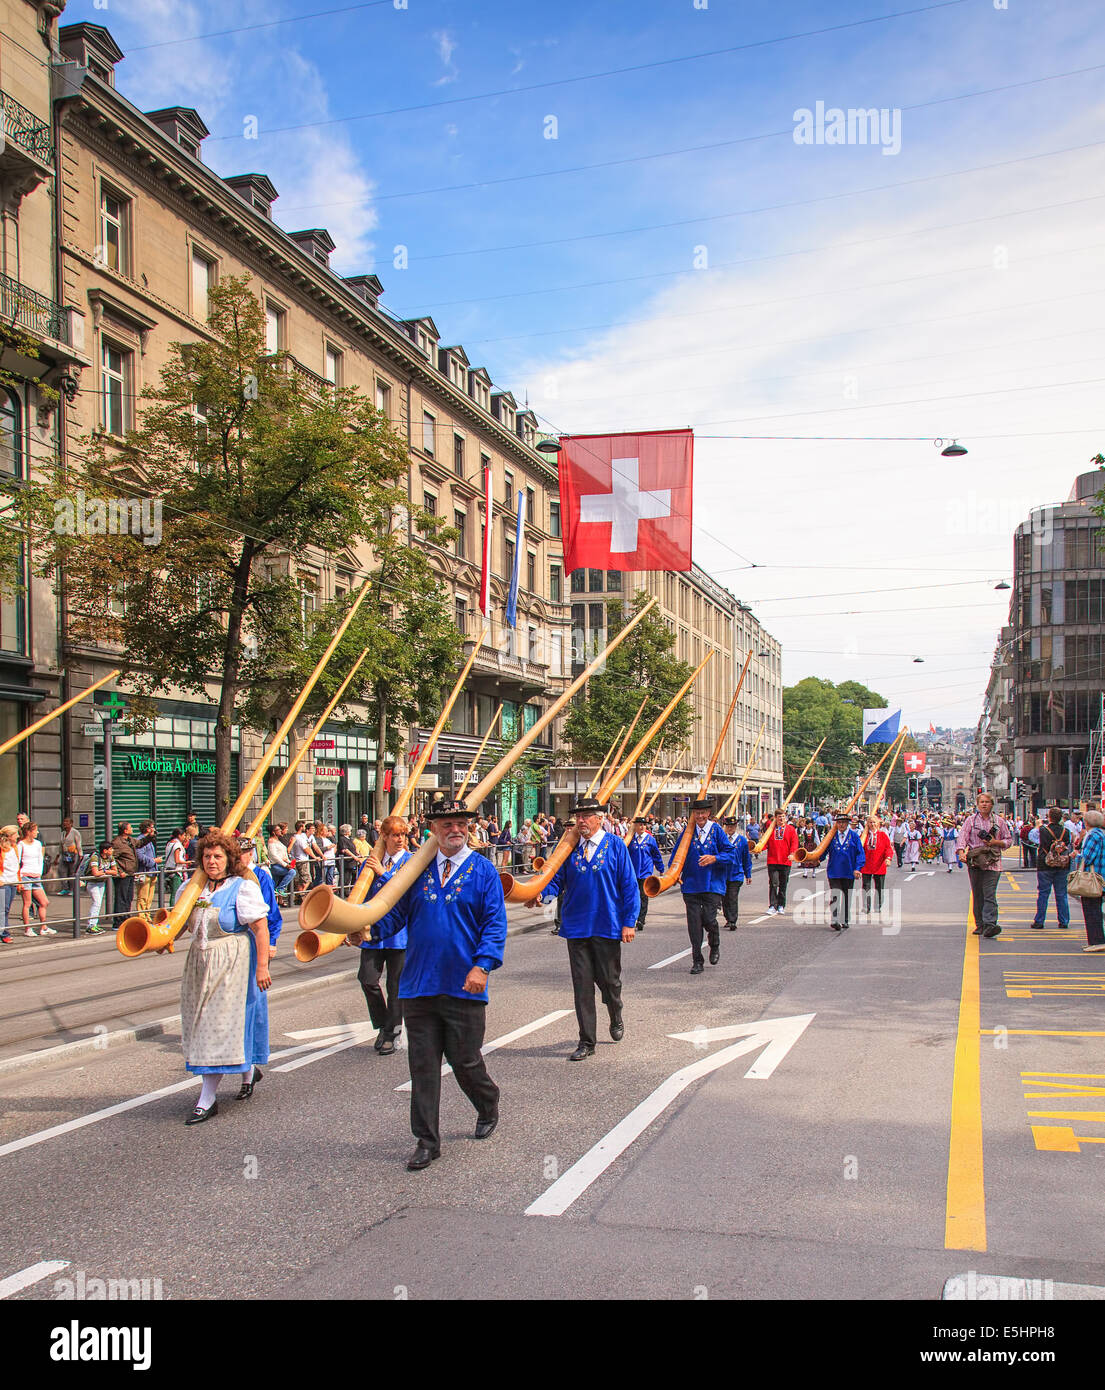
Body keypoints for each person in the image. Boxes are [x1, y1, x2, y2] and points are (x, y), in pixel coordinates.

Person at [389, 801, 507, 1170]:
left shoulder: (483, 870)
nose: (455, 829)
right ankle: (426, 1141)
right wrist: (365, 930)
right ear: (433, 830)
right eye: (446, 824)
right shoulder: (417, 871)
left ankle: (487, 1102)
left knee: (465, 1061)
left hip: (464, 985)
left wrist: (482, 966)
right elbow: (392, 914)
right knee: (422, 1067)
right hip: (419, 985)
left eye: (460, 823)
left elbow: (494, 923)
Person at [178, 830, 271, 1125]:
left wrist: (262, 967)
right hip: (200, 964)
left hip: (233, 963)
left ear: (229, 859)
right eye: (206, 856)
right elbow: (178, 926)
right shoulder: (192, 889)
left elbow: (260, 928)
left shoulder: (242, 888)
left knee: (219, 1026)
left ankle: (207, 1099)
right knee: (203, 1024)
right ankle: (247, 1071)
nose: (211, 861)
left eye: (217, 856)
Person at [537, 796, 638, 1055]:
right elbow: (555, 880)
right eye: (578, 817)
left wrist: (629, 922)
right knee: (582, 986)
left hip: (607, 925)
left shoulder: (615, 845)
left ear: (600, 818)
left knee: (610, 982)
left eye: (586, 816)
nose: (581, 821)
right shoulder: (569, 848)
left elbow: (629, 886)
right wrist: (540, 894)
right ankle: (586, 1042)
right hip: (577, 926)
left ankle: (615, 1012)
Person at [349, 814, 411, 1056]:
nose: (400, 840)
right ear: (383, 836)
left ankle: (392, 1031)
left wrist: (383, 873)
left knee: (396, 986)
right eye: (395, 835)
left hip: (400, 935)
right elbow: (360, 895)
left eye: (403, 835)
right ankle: (385, 1024)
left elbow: (404, 891)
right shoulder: (371, 862)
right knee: (367, 979)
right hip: (373, 933)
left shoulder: (409, 861)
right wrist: (352, 925)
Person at [671, 797, 734, 973]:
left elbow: (731, 854)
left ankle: (714, 944)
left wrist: (715, 858)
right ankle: (697, 960)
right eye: (696, 813)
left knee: (709, 919)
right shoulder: (687, 832)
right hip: (691, 885)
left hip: (712, 885)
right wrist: (673, 873)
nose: (699, 816)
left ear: (708, 813)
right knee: (694, 924)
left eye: (702, 813)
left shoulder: (717, 831)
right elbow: (676, 856)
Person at [956, 792, 1013, 939]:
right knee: (978, 894)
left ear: (992, 804)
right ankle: (980, 924)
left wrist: (996, 842)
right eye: (981, 802)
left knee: (989, 893)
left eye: (987, 802)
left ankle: (990, 924)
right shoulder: (971, 821)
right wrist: (961, 852)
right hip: (975, 861)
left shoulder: (999, 822)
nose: (984, 804)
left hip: (993, 862)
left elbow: (1008, 840)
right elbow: (963, 837)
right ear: (977, 804)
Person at [1031, 807, 1072, 930]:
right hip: (1062, 864)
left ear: (1049, 817)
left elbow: (1032, 837)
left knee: (1043, 893)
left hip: (1046, 864)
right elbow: (1068, 844)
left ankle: (1039, 920)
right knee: (1061, 894)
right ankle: (1064, 921)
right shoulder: (1066, 831)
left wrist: (1037, 825)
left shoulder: (1043, 830)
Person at [823, 810, 865, 931]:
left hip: (848, 871)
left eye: (843, 822)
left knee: (847, 896)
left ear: (847, 823)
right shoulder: (831, 836)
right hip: (834, 871)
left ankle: (845, 919)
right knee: (835, 894)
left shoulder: (854, 836)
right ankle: (835, 919)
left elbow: (860, 854)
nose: (841, 825)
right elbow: (823, 850)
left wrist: (858, 868)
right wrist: (815, 859)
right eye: (839, 822)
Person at [1071, 809, 1105, 953]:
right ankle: (1097, 940)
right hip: (1100, 876)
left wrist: (1076, 855)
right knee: (1096, 909)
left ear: (1087, 822)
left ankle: (1096, 941)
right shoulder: (1101, 834)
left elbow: (1088, 856)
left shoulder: (1093, 836)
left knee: (1091, 910)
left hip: (1092, 878)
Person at [626, 814, 663, 934]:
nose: (641, 827)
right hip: (633, 872)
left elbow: (656, 855)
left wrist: (660, 868)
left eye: (643, 825)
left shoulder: (650, 839)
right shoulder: (630, 839)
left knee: (643, 896)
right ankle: (633, 917)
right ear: (635, 826)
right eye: (639, 825)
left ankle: (641, 919)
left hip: (645, 872)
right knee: (632, 896)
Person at [758, 807, 798, 916]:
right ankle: (772, 905)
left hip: (785, 861)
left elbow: (794, 843)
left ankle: (781, 905)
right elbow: (764, 843)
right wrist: (757, 848)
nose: (781, 819)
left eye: (783, 817)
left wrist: (792, 853)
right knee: (773, 883)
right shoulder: (771, 830)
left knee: (783, 884)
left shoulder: (790, 829)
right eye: (779, 817)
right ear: (775, 818)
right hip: (773, 860)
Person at [17, 821, 53, 935]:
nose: (37, 832)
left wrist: (39, 872)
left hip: (36, 876)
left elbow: (40, 859)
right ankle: (28, 929)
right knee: (27, 903)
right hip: (25, 875)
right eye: (35, 830)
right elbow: (17, 862)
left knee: (44, 902)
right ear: (28, 832)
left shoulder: (37, 843)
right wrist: (18, 879)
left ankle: (44, 927)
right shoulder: (21, 844)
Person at [722, 815, 753, 929]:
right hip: (724, 874)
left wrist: (748, 874)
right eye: (728, 826)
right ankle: (727, 917)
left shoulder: (742, 840)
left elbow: (746, 858)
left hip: (736, 874)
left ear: (736, 826)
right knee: (724, 898)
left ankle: (732, 920)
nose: (730, 828)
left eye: (732, 826)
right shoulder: (722, 839)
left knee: (732, 897)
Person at [110, 821, 140, 926]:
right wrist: (119, 871)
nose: (132, 829)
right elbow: (111, 858)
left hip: (131, 873)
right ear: (125, 830)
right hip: (123, 875)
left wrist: (150, 836)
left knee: (129, 897)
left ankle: (126, 917)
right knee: (121, 897)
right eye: (130, 827)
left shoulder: (130, 840)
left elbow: (140, 843)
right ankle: (118, 921)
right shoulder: (117, 843)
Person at [861, 815, 893, 913]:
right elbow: (859, 848)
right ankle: (866, 906)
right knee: (866, 886)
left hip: (879, 865)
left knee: (879, 887)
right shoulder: (864, 836)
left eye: (874, 822)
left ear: (878, 824)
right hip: (867, 864)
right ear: (867, 824)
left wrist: (888, 858)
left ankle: (878, 905)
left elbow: (888, 848)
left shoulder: (882, 835)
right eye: (870, 822)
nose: (872, 824)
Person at [83, 842, 117, 934]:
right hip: (92, 883)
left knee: (98, 903)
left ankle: (94, 924)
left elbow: (115, 871)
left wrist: (104, 871)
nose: (112, 850)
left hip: (102, 882)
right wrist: (105, 872)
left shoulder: (111, 857)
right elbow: (95, 873)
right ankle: (91, 926)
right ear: (105, 851)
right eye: (110, 849)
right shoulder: (95, 857)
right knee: (96, 903)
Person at [134, 820, 160, 917]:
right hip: (145, 871)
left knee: (149, 897)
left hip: (152, 871)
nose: (154, 829)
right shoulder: (141, 840)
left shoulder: (149, 840)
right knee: (143, 896)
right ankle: (142, 916)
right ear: (148, 829)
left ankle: (147, 914)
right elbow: (140, 856)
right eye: (152, 827)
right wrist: (154, 861)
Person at [57, 818, 82, 897]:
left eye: (67, 822)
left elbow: (78, 844)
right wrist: (58, 856)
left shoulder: (75, 832)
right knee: (62, 871)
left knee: (72, 872)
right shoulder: (63, 833)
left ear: (71, 823)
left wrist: (80, 855)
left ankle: (72, 889)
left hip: (73, 854)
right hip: (65, 854)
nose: (65, 823)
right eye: (64, 821)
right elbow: (60, 845)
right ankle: (65, 888)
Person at [0, 828, 17, 941]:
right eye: (15, 834)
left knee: (7, 908)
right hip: (4, 882)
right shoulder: (2, 850)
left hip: (13, 881)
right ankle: (4, 933)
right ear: (10, 836)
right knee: (3, 909)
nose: (17, 836)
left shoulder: (14, 848)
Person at [164, 829, 187, 905]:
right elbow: (177, 860)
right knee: (176, 892)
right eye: (184, 835)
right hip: (176, 871)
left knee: (174, 892)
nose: (185, 837)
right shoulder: (177, 845)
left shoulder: (169, 843)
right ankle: (173, 909)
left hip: (169, 869)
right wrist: (187, 862)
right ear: (179, 835)